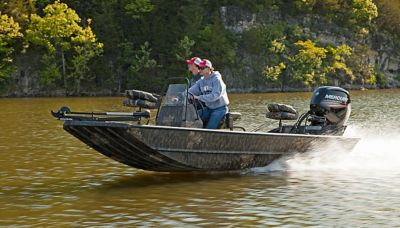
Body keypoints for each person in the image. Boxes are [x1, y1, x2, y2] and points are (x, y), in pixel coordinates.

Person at [188, 59, 229, 129]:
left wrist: (198, 97)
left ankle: (207, 137)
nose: (200, 69)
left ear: (208, 69)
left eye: (202, 68)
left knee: (209, 128)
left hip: (219, 109)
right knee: (190, 117)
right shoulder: (201, 81)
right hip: (208, 108)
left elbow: (214, 96)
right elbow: (191, 91)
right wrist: (180, 95)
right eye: (199, 67)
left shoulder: (217, 79)